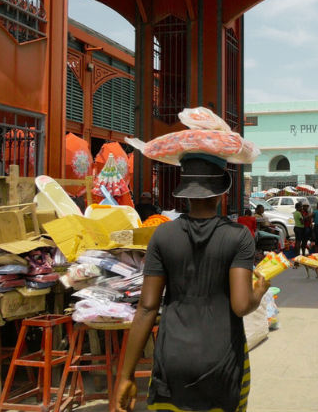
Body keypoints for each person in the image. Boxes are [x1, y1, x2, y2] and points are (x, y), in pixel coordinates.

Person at [115, 153, 270, 412]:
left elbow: (146, 307)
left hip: (172, 359)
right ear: (222, 192)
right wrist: (259, 292)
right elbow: (241, 305)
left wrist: (125, 375)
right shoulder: (239, 236)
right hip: (223, 361)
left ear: (185, 193)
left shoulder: (162, 235)